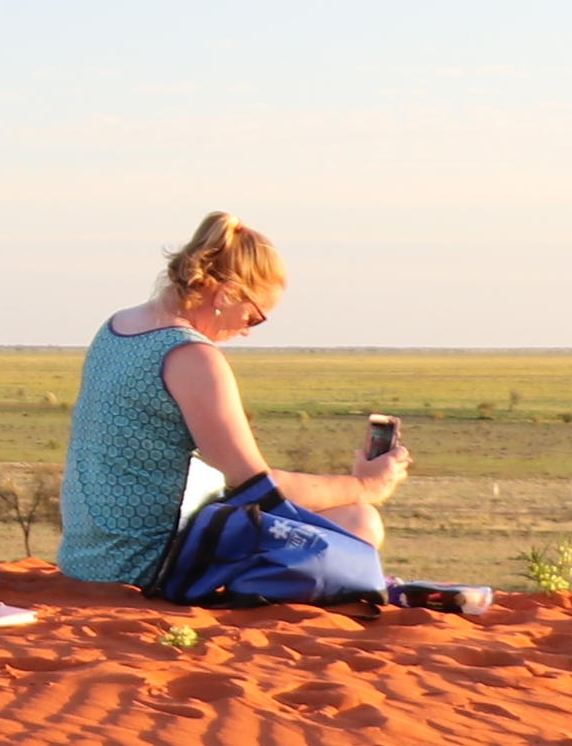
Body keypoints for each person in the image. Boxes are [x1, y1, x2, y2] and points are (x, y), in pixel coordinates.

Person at [57, 211, 406, 593]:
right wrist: (366, 485)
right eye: (255, 318)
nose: (246, 331)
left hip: (85, 559)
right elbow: (257, 488)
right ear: (224, 295)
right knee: (359, 522)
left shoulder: (117, 327)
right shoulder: (190, 356)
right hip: (145, 566)